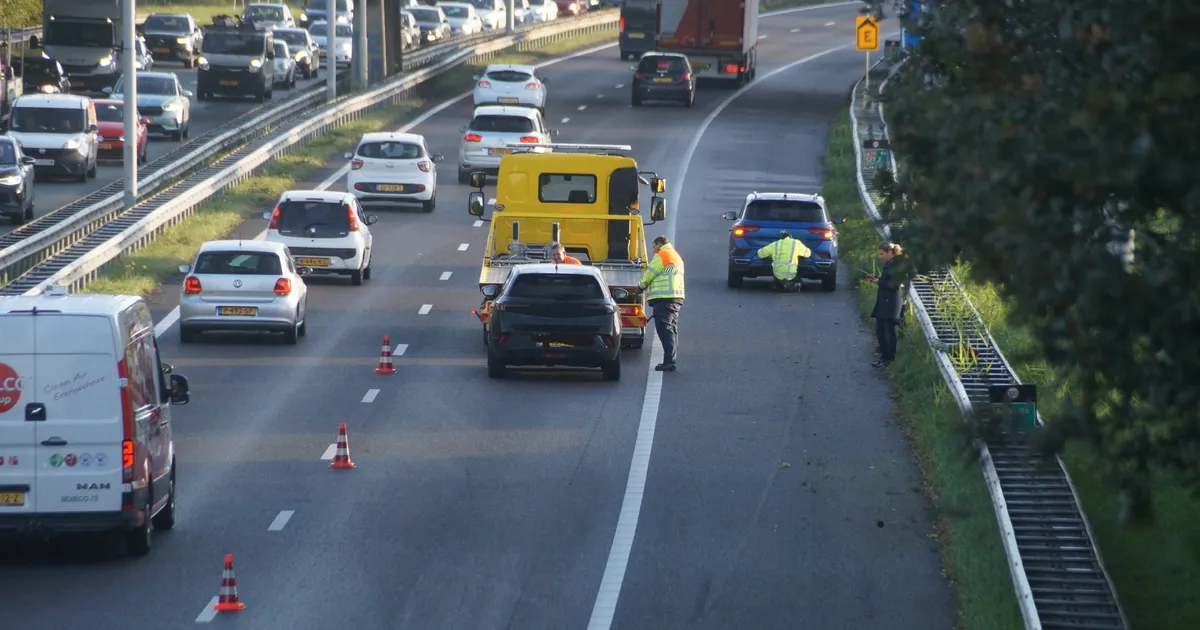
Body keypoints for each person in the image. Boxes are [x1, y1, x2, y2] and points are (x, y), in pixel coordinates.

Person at [637, 236, 685, 371]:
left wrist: (640, 287)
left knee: (665, 330)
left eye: (654, 246)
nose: (653, 250)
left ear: (659, 244)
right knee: (671, 329)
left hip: (665, 298)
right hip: (675, 298)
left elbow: (650, 273)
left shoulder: (662, 254)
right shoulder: (674, 255)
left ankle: (669, 362)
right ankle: (671, 360)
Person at [867, 241, 913, 368]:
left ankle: (889, 358)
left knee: (888, 330)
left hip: (891, 302)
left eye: (882, 253)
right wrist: (878, 279)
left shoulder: (895, 265)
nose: (880, 256)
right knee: (880, 330)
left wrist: (878, 282)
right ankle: (884, 356)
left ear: (890, 252)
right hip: (885, 301)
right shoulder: (890, 264)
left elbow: (894, 284)